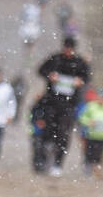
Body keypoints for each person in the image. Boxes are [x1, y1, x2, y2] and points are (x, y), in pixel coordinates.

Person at [37, 35, 91, 176]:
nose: (68, 51)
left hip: (69, 104)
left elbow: (87, 77)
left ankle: (58, 164)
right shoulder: (55, 59)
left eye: (70, 49)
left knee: (64, 134)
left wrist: (80, 81)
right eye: (66, 48)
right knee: (47, 129)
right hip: (51, 102)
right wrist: (50, 75)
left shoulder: (79, 63)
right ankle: (45, 155)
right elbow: (40, 70)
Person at [78, 88, 103, 178]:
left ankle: (98, 171)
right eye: (99, 97)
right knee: (90, 153)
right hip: (92, 135)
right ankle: (89, 170)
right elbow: (82, 118)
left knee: (101, 154)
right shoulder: (90, 106)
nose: (101, 99)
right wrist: (89, 122)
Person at [28, 93, 49, 173]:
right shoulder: (35, 107)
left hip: (45, 132)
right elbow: (30, 117)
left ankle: (42, 165)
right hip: (36, 131)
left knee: (43, 149)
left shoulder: (47, 107)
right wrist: (36, 122)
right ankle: (37, 165)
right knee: (37, 149)